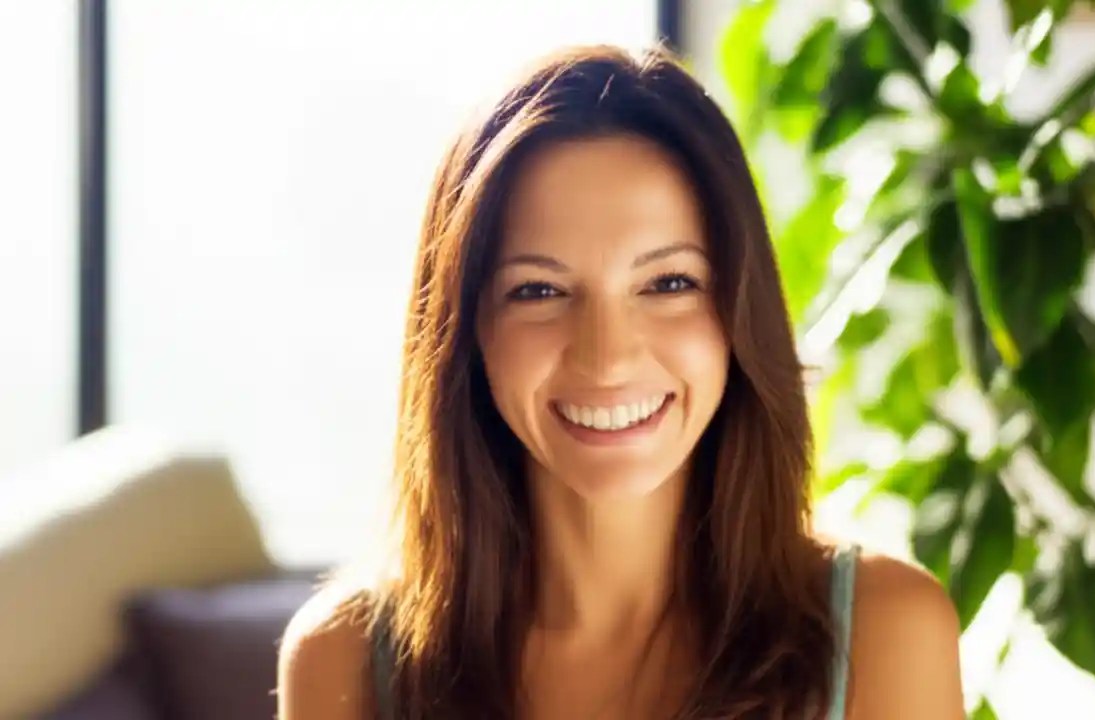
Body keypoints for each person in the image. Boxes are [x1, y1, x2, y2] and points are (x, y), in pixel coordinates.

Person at [277, 44, 963, 719]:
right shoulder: (343, 661)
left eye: (668, 282)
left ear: (738, 315)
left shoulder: (886, 633)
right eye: (539, 290)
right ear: (467, 332)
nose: (606, 358)